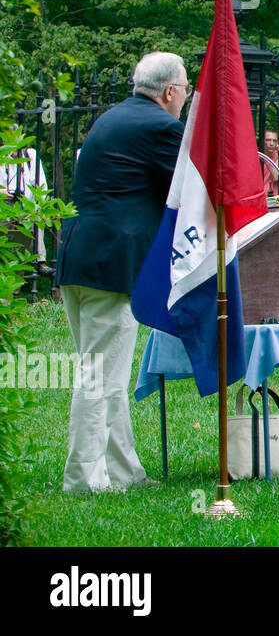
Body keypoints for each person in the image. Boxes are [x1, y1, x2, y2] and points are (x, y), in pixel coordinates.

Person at [55, 51, 188, 493]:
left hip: (81, 259)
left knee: (107, 375)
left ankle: (124, 473)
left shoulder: (113, 118)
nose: (185, 97)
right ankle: (83, 479)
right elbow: (191, 189)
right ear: (169, 91)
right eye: (185, 89)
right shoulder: (161, 126)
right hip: (111, 266)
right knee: (99, 375)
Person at [2, 140, 53, 274]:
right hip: (6, 205)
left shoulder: (31, 156)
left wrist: (36, 207)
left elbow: (41, 186)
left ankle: (40, 261)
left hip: (28, 205)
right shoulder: (2, 158)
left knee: (37, 219)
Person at [260, 129, 279, 198]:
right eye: (268, 140)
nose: (271, 143)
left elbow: (276, 177)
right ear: (263, 141)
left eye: (274, 141)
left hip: (277, 198)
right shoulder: (257, 156)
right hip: (260, 198)